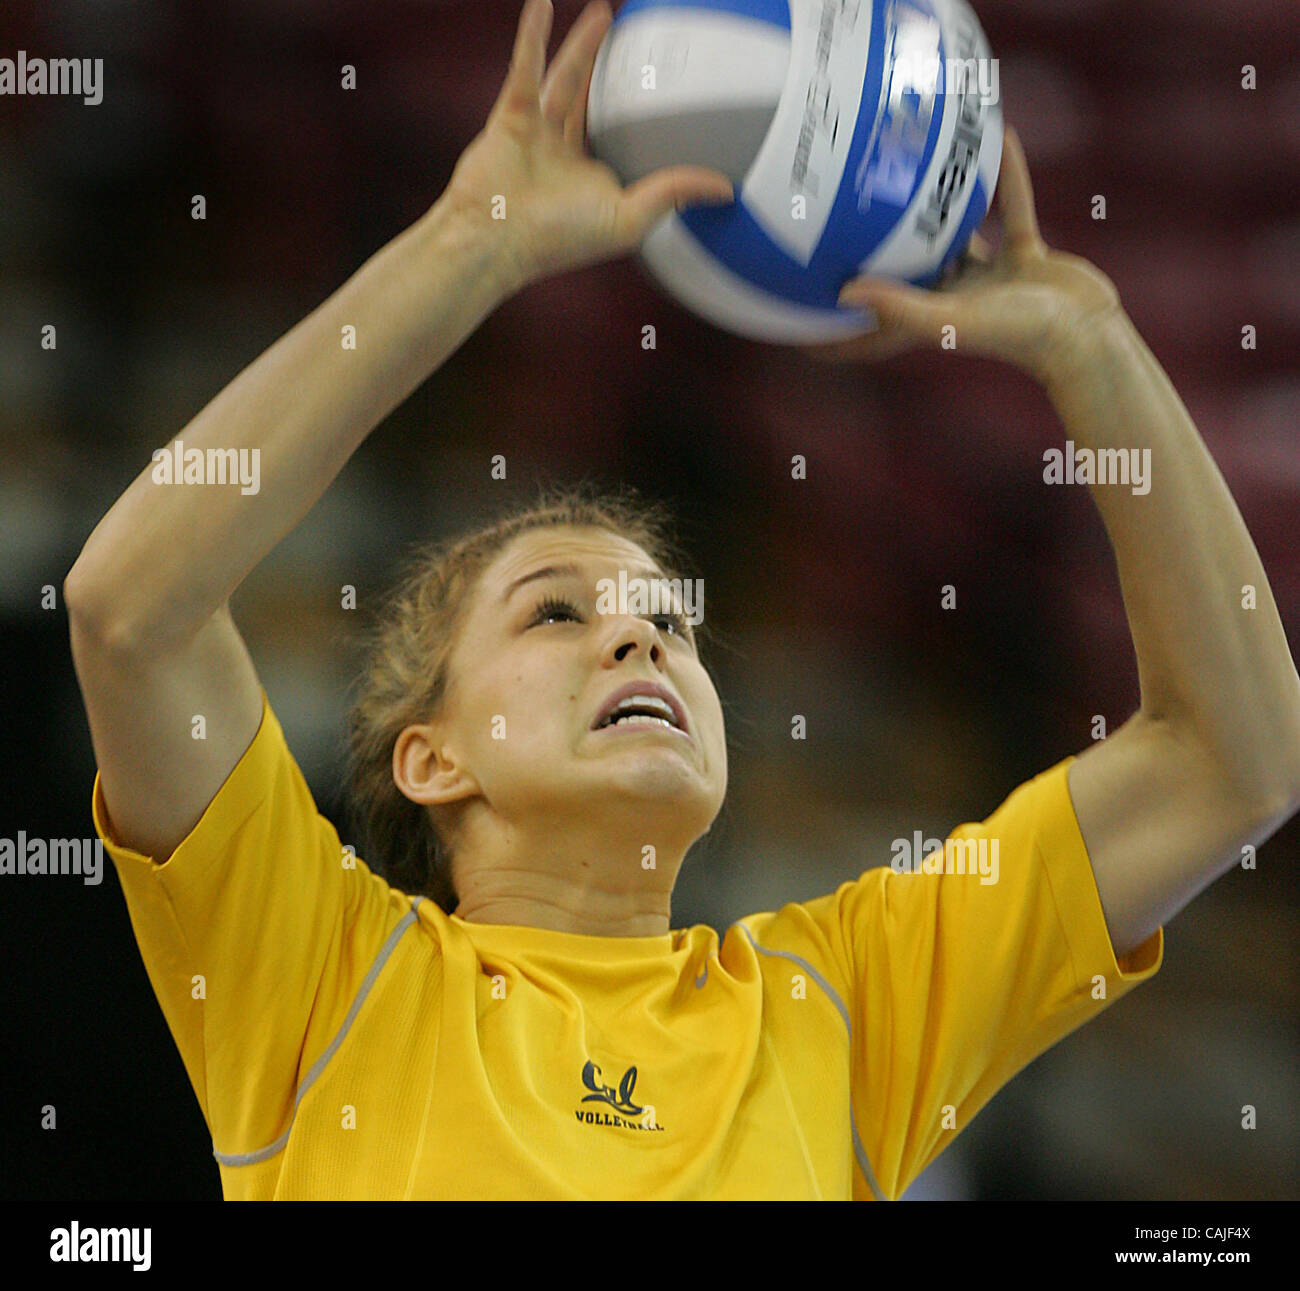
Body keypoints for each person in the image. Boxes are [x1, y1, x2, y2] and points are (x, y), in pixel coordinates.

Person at [65, 0, 1300, 1200]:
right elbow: (132, 609)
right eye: (557, 612)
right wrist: (468, 246)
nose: (639, 633)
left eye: (671, 621)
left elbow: (1235, 761)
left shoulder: (843, 1005)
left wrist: (1093, 349)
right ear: (431, 759)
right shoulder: (325, 980)